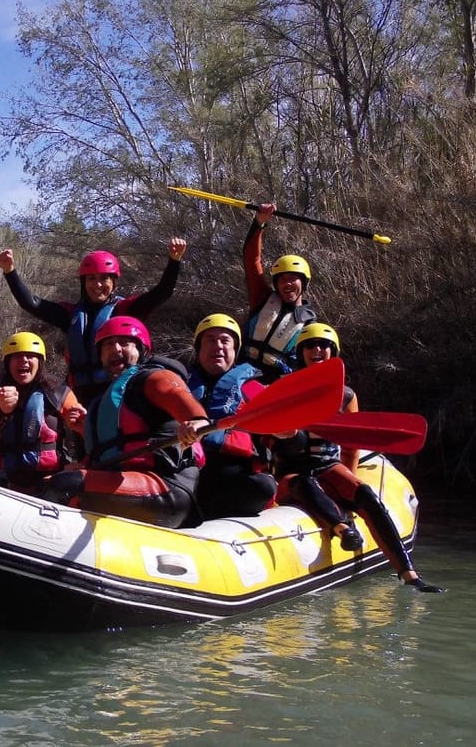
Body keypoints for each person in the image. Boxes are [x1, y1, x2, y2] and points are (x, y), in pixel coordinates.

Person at [273, 323, 445, 592]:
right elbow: (270, 440)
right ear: (301, 352)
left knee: (365, 494)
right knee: (303, 484)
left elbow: (351, 446)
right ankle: (342, 528)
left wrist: (348, 485)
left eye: (324, 346)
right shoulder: (284, 388)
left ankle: (409, 572)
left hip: (327, 466)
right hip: (290, 471)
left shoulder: (346, 396)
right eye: (310, 345)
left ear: (333, 352)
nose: (317, 350)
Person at [43, 317, 208, 529]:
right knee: (48, 482)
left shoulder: (155, 377)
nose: (115, 349)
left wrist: (196, 421)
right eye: (108, 345)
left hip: (165, 486)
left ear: (141, 350)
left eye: (124, 343)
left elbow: (182, 401)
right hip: (125, 481)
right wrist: (84, 429)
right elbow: (120, 443)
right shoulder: (107, 398)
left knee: (64, 486)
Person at [0, 238, 187, 407]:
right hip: (80, 394)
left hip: (116, 392)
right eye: (92, 279)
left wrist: (174, 261)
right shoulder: (70, 314)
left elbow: (161, 293)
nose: (97, 285)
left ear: (114, 282)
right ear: (83, 283)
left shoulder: (124, 310)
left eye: (104, 278)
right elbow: (31, 303)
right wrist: (10, 271)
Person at [186, 314, 277, 520]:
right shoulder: (179, 386)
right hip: (190, 471)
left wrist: (290, 434)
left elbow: (288, 439)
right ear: (198, 349)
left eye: (225, 341)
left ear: (235, 351)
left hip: (234, 476)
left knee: (263, 486)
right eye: (210, 340)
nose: (218, 346)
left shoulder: (253, 389)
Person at [0, 332, 86, 495]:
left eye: (30, 356)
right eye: (17, 356)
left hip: (49, 481)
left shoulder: (59, 394)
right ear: (7, 363)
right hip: (6, 482)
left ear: (40, 362)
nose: (24, 361)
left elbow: (86, 432)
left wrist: (82, 461)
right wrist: (4, 412)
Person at [240, 203, 317, 381]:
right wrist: (259, 223)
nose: (287, 283)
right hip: (243, 370)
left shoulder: (310, 323)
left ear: (304, 283)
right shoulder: (263, 298)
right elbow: (252, 259)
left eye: (293, 278)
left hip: (277, 379)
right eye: (282, 279)